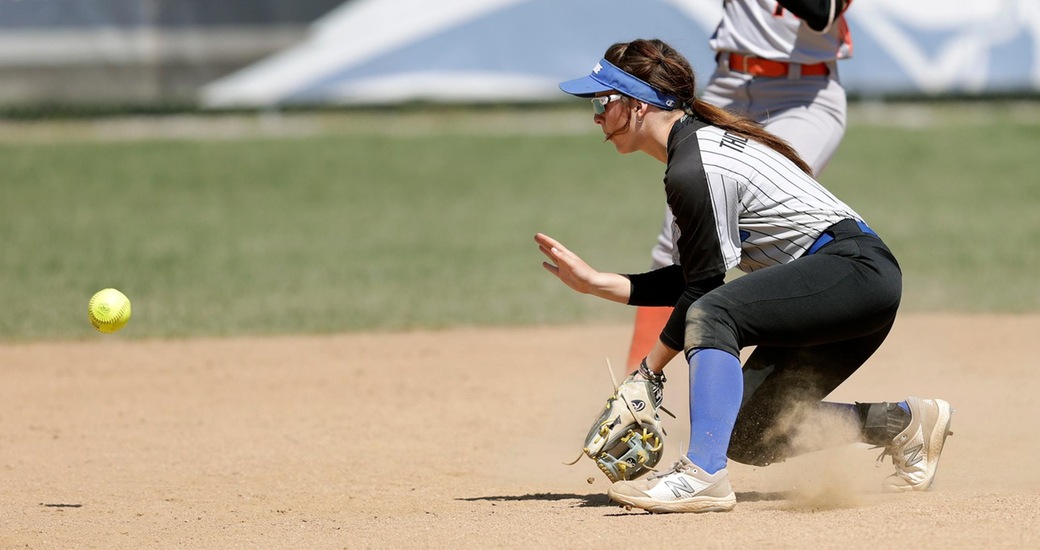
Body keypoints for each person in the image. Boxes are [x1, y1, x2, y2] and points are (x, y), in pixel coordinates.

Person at [536, 38, 952, 513]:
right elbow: (698, 277)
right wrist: (597, 283)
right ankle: (903, 424)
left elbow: (706, 294)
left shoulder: (694, 166)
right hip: (840, 282)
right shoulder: (691, 154)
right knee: (748, 433)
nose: (596, 116)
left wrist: (648, 373)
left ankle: (701, 475)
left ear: (637, 105)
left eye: (601, 101)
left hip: (854, 272)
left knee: (712, 312)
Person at [626, 0, 854, 370]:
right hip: (728, 82)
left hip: (804, 94)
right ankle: (634, 394)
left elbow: (821, 11)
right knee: (676, 239)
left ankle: (787, 394)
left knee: (773, 225)